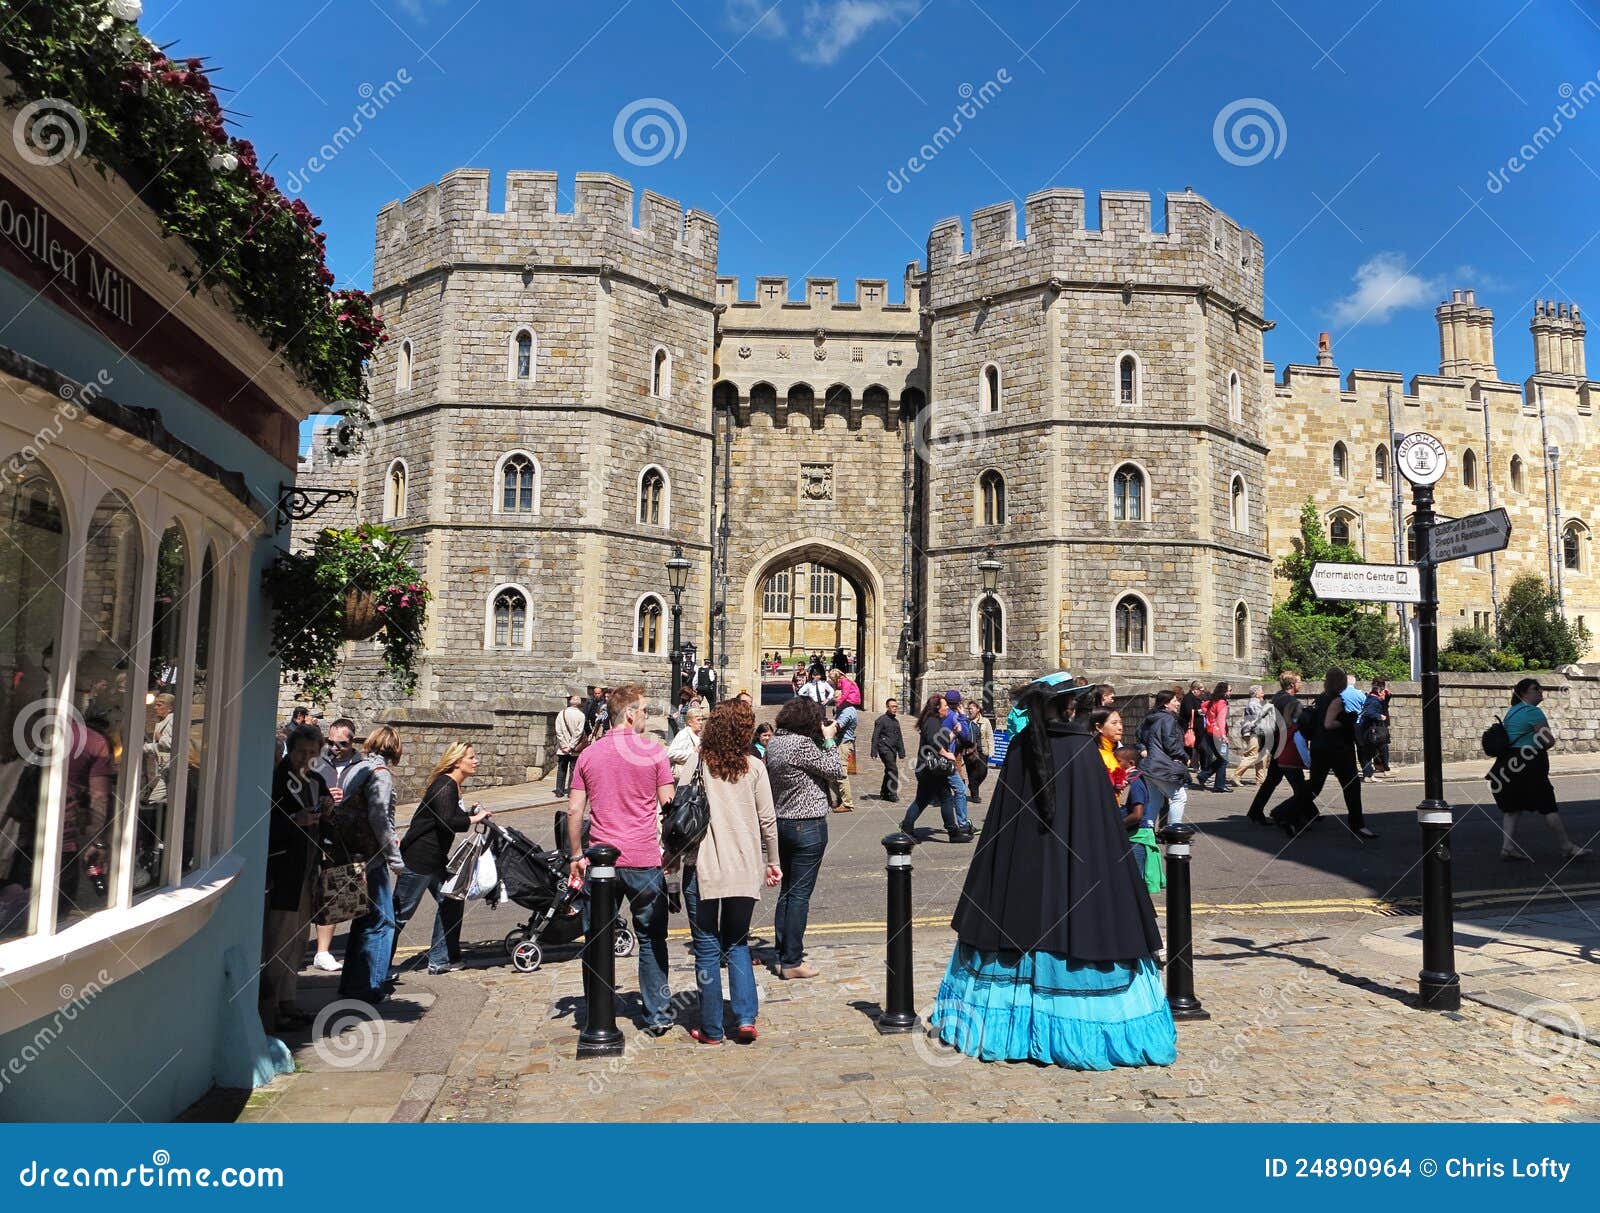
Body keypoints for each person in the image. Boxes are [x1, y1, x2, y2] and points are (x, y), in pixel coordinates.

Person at [930, 676, 1176, 1069]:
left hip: (1021, 868)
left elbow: (1003, 819)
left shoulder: (1021, 747)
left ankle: (1009, 1027)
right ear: (1070, 708)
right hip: (1081, 872)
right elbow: (1098, 825)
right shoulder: (1082, 749)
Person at [567, 685, 678, 1034]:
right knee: (652, 938)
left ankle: (596, 1010)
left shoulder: (588, 755)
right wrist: (672, 853)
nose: (645, 717)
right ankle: (658, 1014)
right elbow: (670, 807)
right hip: (643, 858)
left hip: (601, 862)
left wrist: (575, 855)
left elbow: (574, 810)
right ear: (630, 713)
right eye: (643, 711)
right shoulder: (654, 752)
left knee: (596, 938)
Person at [680, 701, 782, 1044]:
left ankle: (710, 1030)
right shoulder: (754, 766)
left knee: (707, 948)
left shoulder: (697, 763)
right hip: (743, 865)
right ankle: (745, 1018)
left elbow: (678, 809)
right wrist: (773, 861)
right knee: (737, 942)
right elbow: (768, 820)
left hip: (702, 866)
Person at [392, 743, 492, 977]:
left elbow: (449, 816)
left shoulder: (452, 786)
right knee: (400, 913)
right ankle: (379, 964)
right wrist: (475, 818)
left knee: (452, 901)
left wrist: (470, 813)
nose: (476, 761)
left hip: (435, 860)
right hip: (419, 859)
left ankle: (440, 959)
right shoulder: (445, 784)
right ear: (458, 762)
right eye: (471, 757)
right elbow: (448, 821)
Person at [762, 697, 841, 979]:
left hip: (782, 822)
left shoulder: (775, 743)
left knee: (787, 893)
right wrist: (830, 740)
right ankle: (792, 960)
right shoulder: (802, 744)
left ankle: (783, 954)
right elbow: (836, 770)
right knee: (799, 896)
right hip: (807, 824)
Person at [261, 724, 328, 1031]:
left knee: (299, 940)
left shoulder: (316, 780)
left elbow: (326, 821)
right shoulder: (276, 779)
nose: (306, 758)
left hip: (308, 871)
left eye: (313, 753)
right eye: (301, 751)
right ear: (291, 750)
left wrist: (329, 808)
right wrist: (294, 820)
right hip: (285, 872)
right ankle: (271, 1005)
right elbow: (264, 824)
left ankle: (288, 1000)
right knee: (279, 938)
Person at [1492, 678, 1592, 861]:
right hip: (1530, 764)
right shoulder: (1533, 712)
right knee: (1548, 806)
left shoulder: (1512, 712)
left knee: (1512, 808)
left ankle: (1507, 847)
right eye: (1536, 688)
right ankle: (1567, 846)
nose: (1541, 691)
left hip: (1508, 763)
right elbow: (1548, 740)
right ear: (1524, 693)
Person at [1272, 667, 1377, 840]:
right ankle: (1358, 826)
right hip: (1338, 749)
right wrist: (1346, 721)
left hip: (1319, 747)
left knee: (1314, 785)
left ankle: (1284, 812)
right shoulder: (1336, 700)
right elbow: (1329, 724)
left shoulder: (1321, 698)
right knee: (1351, 787)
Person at [338, 725, 403, 1004]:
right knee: (382, 922)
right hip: (371, 858)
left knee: (363, 922)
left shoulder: (356, 768)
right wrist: (394, 858)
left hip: (351, 853)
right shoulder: (381, 775)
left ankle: (352, 984)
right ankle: (372, 986)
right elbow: (380, 819)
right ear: (394, 749)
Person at [309, 717, 371, 972]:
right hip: (320, 837)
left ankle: (357, 952)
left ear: (353, 742)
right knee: (323, 893)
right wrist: (325, 798)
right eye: (330, 743)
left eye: (341, 744)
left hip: (352, 837)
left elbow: (372, 802)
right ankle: (321, 952)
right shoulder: (316, 764)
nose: (334, 748)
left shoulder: (363, 767)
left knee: (354, 895)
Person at [899, 694, 966, 842]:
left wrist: (954, 733)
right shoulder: (932, 722)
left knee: (922, 800)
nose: (947, 708)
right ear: (937, 708)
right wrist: (946, 754)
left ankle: (907, 827)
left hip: (926, 769)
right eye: (944, 706)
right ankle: (953, 833)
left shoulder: (934, 722)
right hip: (931, 769)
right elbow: (932, 741)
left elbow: (941, 739)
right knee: (947, 798)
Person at [1246, 672, 1306, 824]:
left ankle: (1255, 811)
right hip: (1287, 746)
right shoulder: (1292, 702)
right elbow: (1297, 725)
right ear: (1292, 685)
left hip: (1275, 744)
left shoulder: (1276, 698)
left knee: (1273, 780)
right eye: (1299, 681)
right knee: (1299, 784)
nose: (1301, 684)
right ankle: (1293, 815)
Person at [1135, 689, 1189, 827]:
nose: (1178, 703)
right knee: (1179, 796)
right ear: (1166, 704)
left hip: (1148, 766)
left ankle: (1147, 830)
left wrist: (1143, 750)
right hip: (1161, 765)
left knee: (1155, 799)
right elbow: (1170, 742)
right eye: (1175, 701)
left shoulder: (1150, 718)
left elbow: (1139, 736)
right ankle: (1174, 829)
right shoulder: (1168, 718)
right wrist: (1183, 756)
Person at [1117, 744, 1164, 896]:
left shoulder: (1135, 782)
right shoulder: (1128, 779)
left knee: (1135, 880)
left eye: (1118, 761)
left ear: (1130, 763)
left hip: (1137, 838)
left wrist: (1116, 826)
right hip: (1131, 834)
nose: (1114, 764)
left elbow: (1137, 814)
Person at [941, 691, 973, 834]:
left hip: (935, 758)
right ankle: (963, 823)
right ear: (957, 703)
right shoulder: (953, 716)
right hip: (946, 759)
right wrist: (963, 717)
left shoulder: (939, 714)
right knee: (960, 790)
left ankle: (907, 823)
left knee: (924, 796)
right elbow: (965, 735)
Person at [1230, 685, 1268, 786]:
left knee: (1262, 755)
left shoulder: (1258, 702)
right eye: (1261, 691)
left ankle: (1260, 779)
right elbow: (1260, 717)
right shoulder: (1253, 703)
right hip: (1252, 732)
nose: (1263, 693)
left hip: (1259, 732)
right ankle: (1236, 775)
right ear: (1256, 693)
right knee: (1252, 754)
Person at [1199, 682, 1232, 793]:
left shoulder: (1213, 701)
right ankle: (1219, 785)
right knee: (1223, 760)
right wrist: (1223, 735)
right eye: (1229, 690)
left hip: (1209, 732)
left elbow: (1203, 706)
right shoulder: (1222, 703)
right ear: (1223, 691)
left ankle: (1204, 776)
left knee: (1220, 759)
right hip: (1218, 734)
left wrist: (1208, 715)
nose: (1230, 693)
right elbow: (1221, 720)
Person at [829, 682, 857, 814]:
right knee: (832, 774)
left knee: (841, 773)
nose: (835, 699)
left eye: (837, 696)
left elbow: (838, 726)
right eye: (834, 696)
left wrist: (825, 728)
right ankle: (841, 799)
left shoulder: (847, 711)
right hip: (840, 743)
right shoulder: (841, 709)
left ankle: (847, 803)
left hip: (844, 744)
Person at [871, 697, 906, 800]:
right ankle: (892, 793)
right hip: (884, 749)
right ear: (887, 707)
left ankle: (884, 792)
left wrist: (901, 752)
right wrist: (874, 751)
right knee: (893, 770)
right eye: (892, 707)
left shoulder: (896, 722)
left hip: (893, 749)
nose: (895, 708)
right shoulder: (881, 720)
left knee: (888, 771)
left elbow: (899, 737)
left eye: (896, 707)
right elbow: (875, 736)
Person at [1358, 679, 1392, 781]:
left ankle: (1369, 775)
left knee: (1369, 752)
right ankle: (1368, 776)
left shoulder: (1374, 698)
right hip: (1370, 730)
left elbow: (1384, 703)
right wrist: (1379, 716)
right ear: (1378, 692)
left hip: (1369, 729)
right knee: (1368, 753)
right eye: (1382, 692)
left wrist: (1388, 695)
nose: (1383, 694)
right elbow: (1368, 713)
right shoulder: (1374, 700)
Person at [963, 699, 995, 805]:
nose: (969, 711)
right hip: (970, 751)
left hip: (982, 751)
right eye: (968, 709)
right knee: (971, 773)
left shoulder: (985, 721)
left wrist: (991, 750)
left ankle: (972, 785)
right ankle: (975, 795)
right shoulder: (966, 721)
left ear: (977, 709)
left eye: (971, 708)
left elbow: (990, 736)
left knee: (983, 772)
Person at [554, 694, 587, 798]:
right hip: (575, 748)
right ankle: (571, 791)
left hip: (562, 748)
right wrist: (571, 746)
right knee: (573, 769)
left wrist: (564, 745)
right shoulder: (581, 715)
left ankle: (559, 790)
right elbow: (579, 733)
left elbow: (558, 730)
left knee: (561, 769)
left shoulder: (561, 713)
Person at [667, 703, 708, 783]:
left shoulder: (699, 735)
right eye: (698, 720)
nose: (701, 722)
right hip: (684, 776)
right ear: (690, 722)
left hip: (694, 777)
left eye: (702, 720)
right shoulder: (684, 734)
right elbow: (671, 753)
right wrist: (694, 753)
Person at [1177, 680, 1206, 785]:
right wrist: (1200, 711)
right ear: (1195, 690)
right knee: (1187, 749)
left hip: (1197, 728)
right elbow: (1189, 711)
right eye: (1201, 690)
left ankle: (1196, 767)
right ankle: (1185, 776)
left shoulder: (1198, 698)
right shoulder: (1188, 698)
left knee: (1199, 747)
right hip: (1189, 728)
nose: (1203, 692)